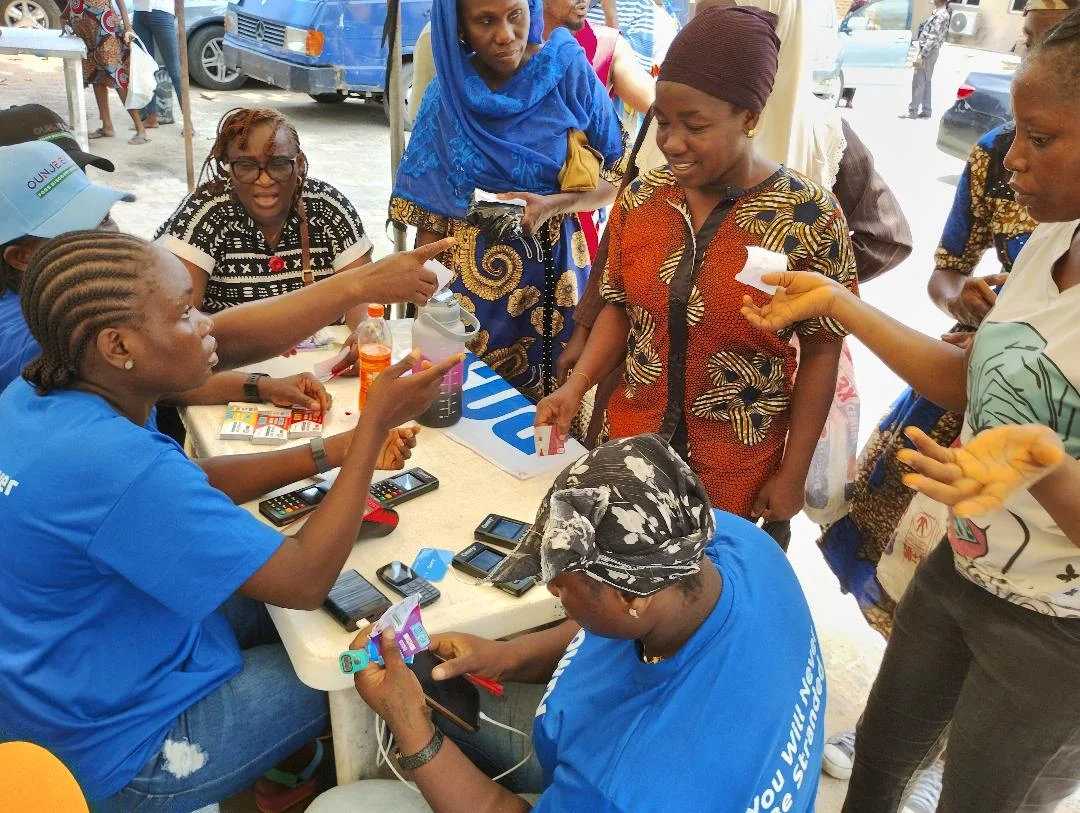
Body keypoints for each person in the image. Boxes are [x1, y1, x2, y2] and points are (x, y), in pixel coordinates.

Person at [742, 11, 1080, 808]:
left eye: (1040, 137)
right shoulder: (1046, 248)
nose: (1009, 160)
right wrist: (837, 302)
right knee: (879, 767)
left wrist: (1045, 461)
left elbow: (1036, 449)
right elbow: (970, 382)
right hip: (961, 570)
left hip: (1056, 630)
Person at [0, 229, 462, 812]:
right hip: (130, 750)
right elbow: (302, 580)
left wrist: (330, 451)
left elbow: (180, 491)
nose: (205, 326)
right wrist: (372, 428)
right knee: (386, 666)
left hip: (60, 694)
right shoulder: (120, 466)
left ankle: (281, 771)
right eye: (186, 314)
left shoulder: (39, 395)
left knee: (349, 611)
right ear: (119, 347)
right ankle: (308, 786)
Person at [307, 434, 826, 812]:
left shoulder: (627, 786)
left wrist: (412, 729)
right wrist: (506, 656)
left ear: (631, 597)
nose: (551, 590)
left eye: (562, 582)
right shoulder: (735, 547)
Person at [535, 5, 858, 548]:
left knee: (713, 607)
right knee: (624, 603)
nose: (672, 141)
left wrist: (793, 471)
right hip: (633, 455)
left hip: (739, 469)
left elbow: (822, 350)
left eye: (696, 125)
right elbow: (620, 303)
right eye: (663, 120)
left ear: (750, 118)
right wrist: (578, 386)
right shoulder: (644, 198)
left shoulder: (807, 215)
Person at [390, 0, 625, 403]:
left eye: (516, 15)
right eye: (485, 21)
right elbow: (429, 217)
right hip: (464, 297)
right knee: (458, 410)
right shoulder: (447, 96)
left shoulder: (566, 68)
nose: (506, 35)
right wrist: (425, 313)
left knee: (548, 418)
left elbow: (620, 179)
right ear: (459, 28)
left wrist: (555, 204)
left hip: (556, 283)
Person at [156, 107, 373, 327]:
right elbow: (178, 321)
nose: (264, 180)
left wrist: (364, 335)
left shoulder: (327, 208)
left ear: (298, 164)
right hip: (229, 360)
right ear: (228, 169)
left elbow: (364, 301)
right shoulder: (203, 213)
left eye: (278, 164)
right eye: (246, 166)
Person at [66, 0, 151, 145]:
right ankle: (107, 126)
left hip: (104, 26)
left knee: (116, 77)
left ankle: (141, 129)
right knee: (96, 76)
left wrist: (128, 26)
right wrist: (66, 16)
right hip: (84, 29)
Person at [130, 0, 184, 129]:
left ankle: (188, 122)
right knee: (146, 69)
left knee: (175, 70)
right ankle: (151, 117)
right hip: (139, 12)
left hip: (162, 11)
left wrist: (178, 13)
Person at [900, 0, 950, 120]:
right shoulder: (942, 13)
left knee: (919, 81)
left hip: (928, 51)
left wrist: (922, 55)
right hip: (932, 50)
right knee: (926, 80)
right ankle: (926, 110)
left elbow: (933, 37)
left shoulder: (940, 14)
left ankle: (913, 111)